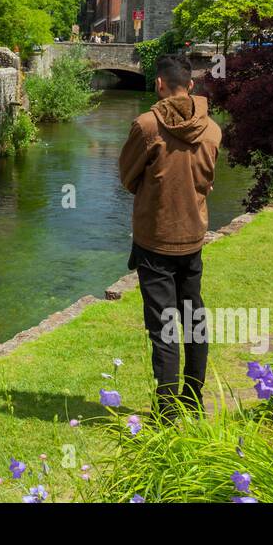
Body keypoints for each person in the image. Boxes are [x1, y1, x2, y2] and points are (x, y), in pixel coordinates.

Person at [118, 54, 221, 420]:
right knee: (193, 317)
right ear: (190, 85)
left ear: (160, 84)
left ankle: (167, 412)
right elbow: (208, 181)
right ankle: (193, 400)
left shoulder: (146, 126)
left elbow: (128, 177)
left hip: (155, 238)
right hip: (193, 236)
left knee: (163, 327)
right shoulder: (213, 129)